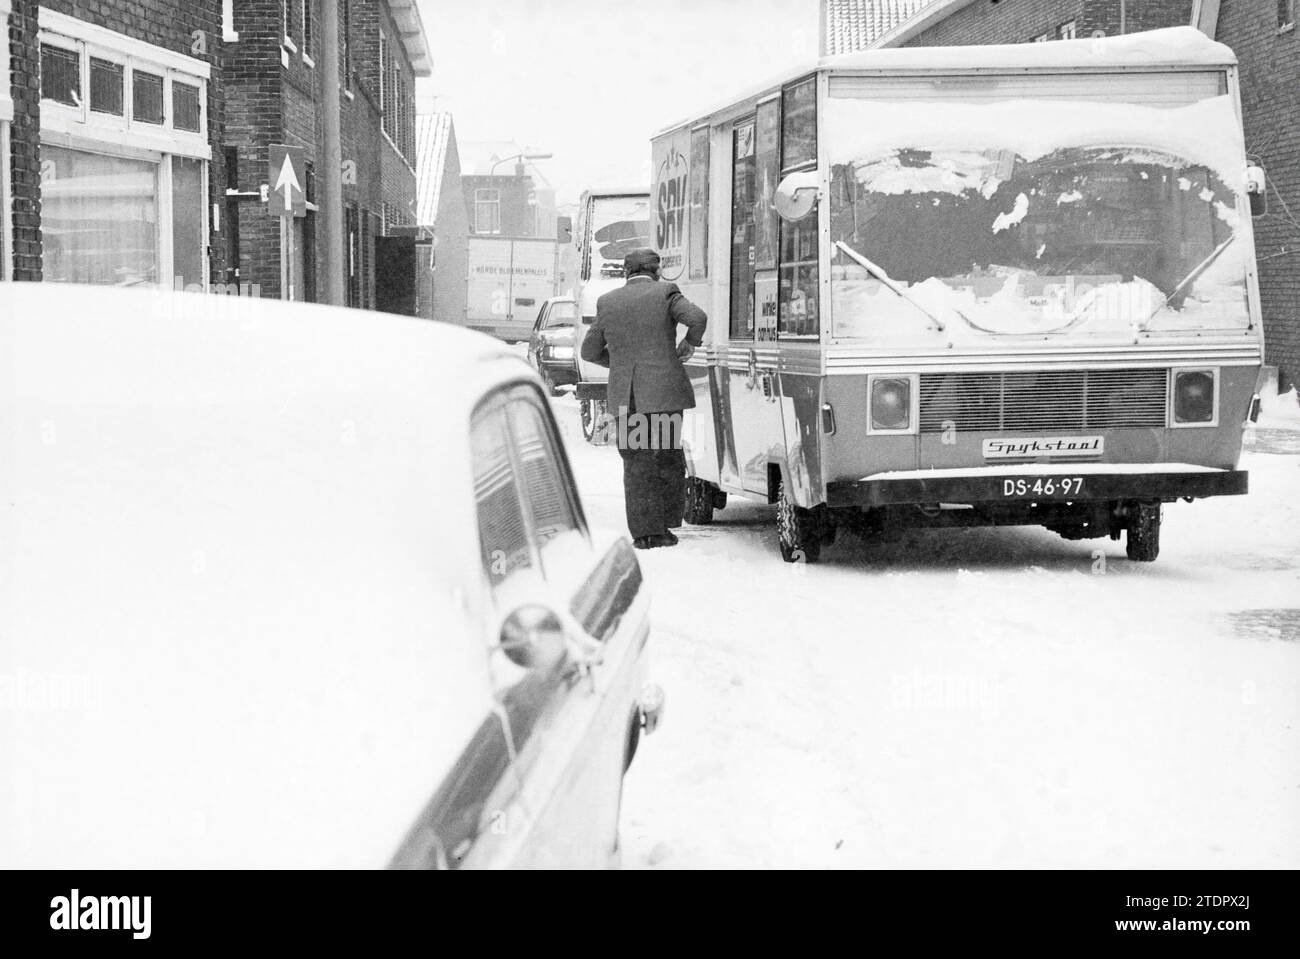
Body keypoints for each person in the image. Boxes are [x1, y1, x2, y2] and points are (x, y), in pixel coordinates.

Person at [580, 248, 707, 549]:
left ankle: (645, 533)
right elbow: (697, 318)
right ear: (656, 270)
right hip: (664, 395)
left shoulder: (608, 301)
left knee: (636, 463)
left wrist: (620, 363)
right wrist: (689, 343)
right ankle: (665, 525)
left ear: (626, 272)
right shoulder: (666, 293)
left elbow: (589, 351)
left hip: (628, 397)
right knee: (666, 457)